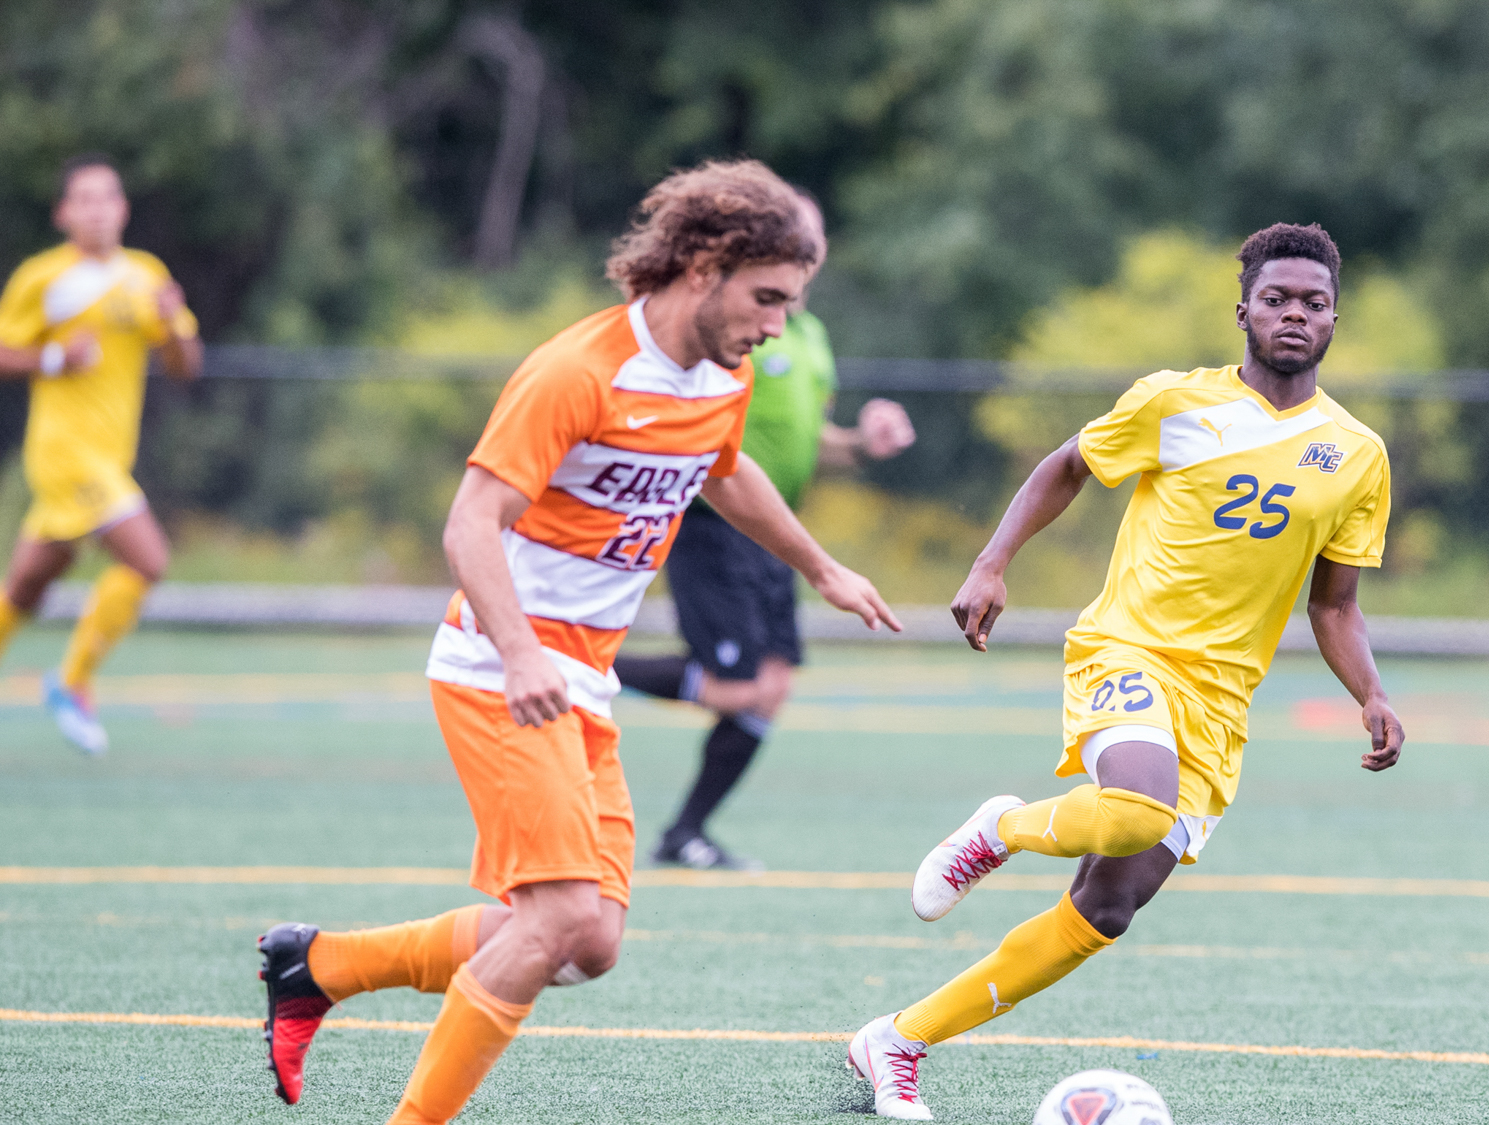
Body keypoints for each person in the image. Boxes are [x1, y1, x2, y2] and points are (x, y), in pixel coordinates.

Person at [254, 159, 901, 1123]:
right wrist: (518, 652)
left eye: (790, 304)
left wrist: (823, 569)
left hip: (582, 679)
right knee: (554, 918)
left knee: (589, 942)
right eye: (766, 298)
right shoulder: (578, 371)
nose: (775, 324)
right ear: (704, 266)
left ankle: (319, 966)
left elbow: (727, 475)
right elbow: (471, 523)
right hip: (498, 667)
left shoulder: (721, 376)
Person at [847, 223, 1405, 1120]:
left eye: (1312, 302)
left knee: (1107, 907)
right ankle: (1001, 830)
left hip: (1221, 704)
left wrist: (1371, 692)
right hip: (1128, 650)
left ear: (1336, 318)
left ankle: (898, 1041)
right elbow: (1067, 466)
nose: (1294, 314)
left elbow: (1333, 603)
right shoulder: (1173, 401)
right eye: (1277, 299)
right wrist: (991, 562)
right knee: (1138, 801)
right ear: (1244, 313)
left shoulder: (1357, 454)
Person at [614, 191, 916, 872]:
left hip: (775, 527)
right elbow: (717, 450)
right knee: (735, 688)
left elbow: (813, 442)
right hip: (714, 523)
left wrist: (863, 443)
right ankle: (586, 663)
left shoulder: (804, 336)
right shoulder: (724, 330)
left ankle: (685, 832)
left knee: (770, 688)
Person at [0, 154, 203, 755]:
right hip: (65, 454)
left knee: (28, 587)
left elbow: (185, 369)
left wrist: (172, 327)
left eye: (107, 197)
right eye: (83, 199)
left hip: (109, 460)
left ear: (124, 209)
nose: (97, 209)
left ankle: (67, 678)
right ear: (65, 213)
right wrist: (57, 358)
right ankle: (71, 682)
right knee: (148, 560)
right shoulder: (43, 278)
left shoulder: (144, 276)